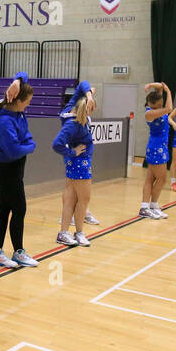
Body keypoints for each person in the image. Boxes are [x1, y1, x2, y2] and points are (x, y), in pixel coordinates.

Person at [0, 73, 38, 268]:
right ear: (17, 101)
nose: (28, 105)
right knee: (19, 209)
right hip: (8, 168)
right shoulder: (6, 121)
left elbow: (24, 138)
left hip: (15, 168)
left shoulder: (15, 112)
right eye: (27, 102)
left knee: (5, 209)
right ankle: (17, 252)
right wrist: (31, 146)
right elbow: (14, 150)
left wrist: (17, 81)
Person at [52, 89, 95, 246]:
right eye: (91, 108)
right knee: (84, 199)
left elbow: (83, 86)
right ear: (85, 109)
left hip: (76, 163)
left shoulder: (70, 109)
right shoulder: (73, 124)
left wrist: (89, 94)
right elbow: (56, 144)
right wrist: (73, 152)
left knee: (70, 199)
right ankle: (79, 232)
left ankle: (63, 233)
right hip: (80, 164)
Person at [140, 81, 173, 219]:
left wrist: (150, 85)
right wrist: (169, 92)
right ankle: (149, 205)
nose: (161, 105)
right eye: (159, 104)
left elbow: (160, 87)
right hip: (156, 147)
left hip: (160, 146)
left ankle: (149, 206)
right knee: (162, 178)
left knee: (151, 178)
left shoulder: (156, 105)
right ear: (153, 104)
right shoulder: (151, 113)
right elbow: (169, 108)